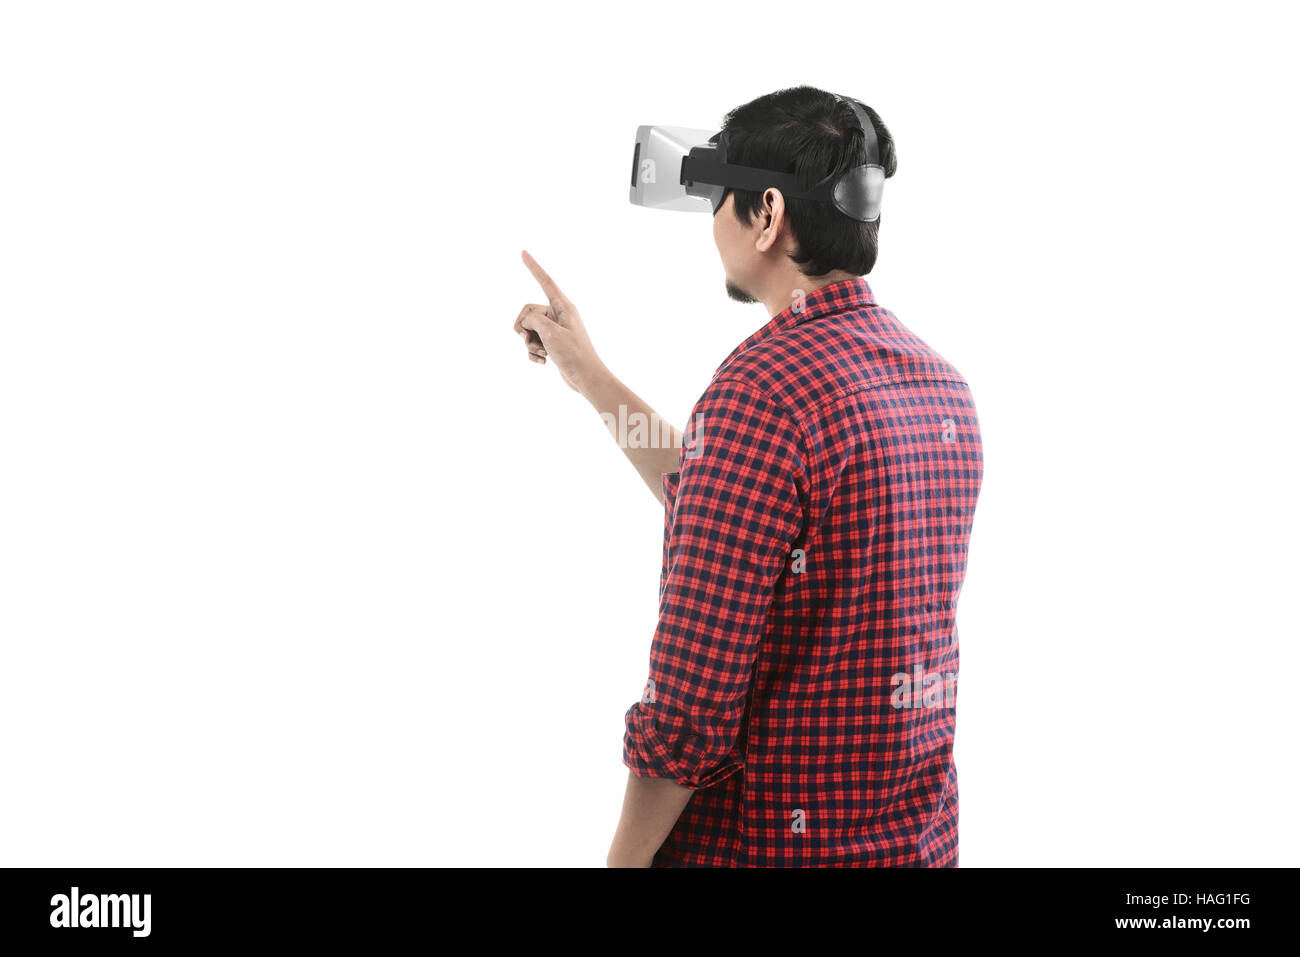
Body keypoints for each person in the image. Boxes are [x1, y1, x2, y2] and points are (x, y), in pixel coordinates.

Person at [513, 85, 983, 867]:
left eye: (719, 202)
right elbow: (733, 509)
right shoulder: (938, 386)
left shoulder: (762, 394)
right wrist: (590, 374)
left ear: (766, 214)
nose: (713, 225)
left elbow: (689, 711)